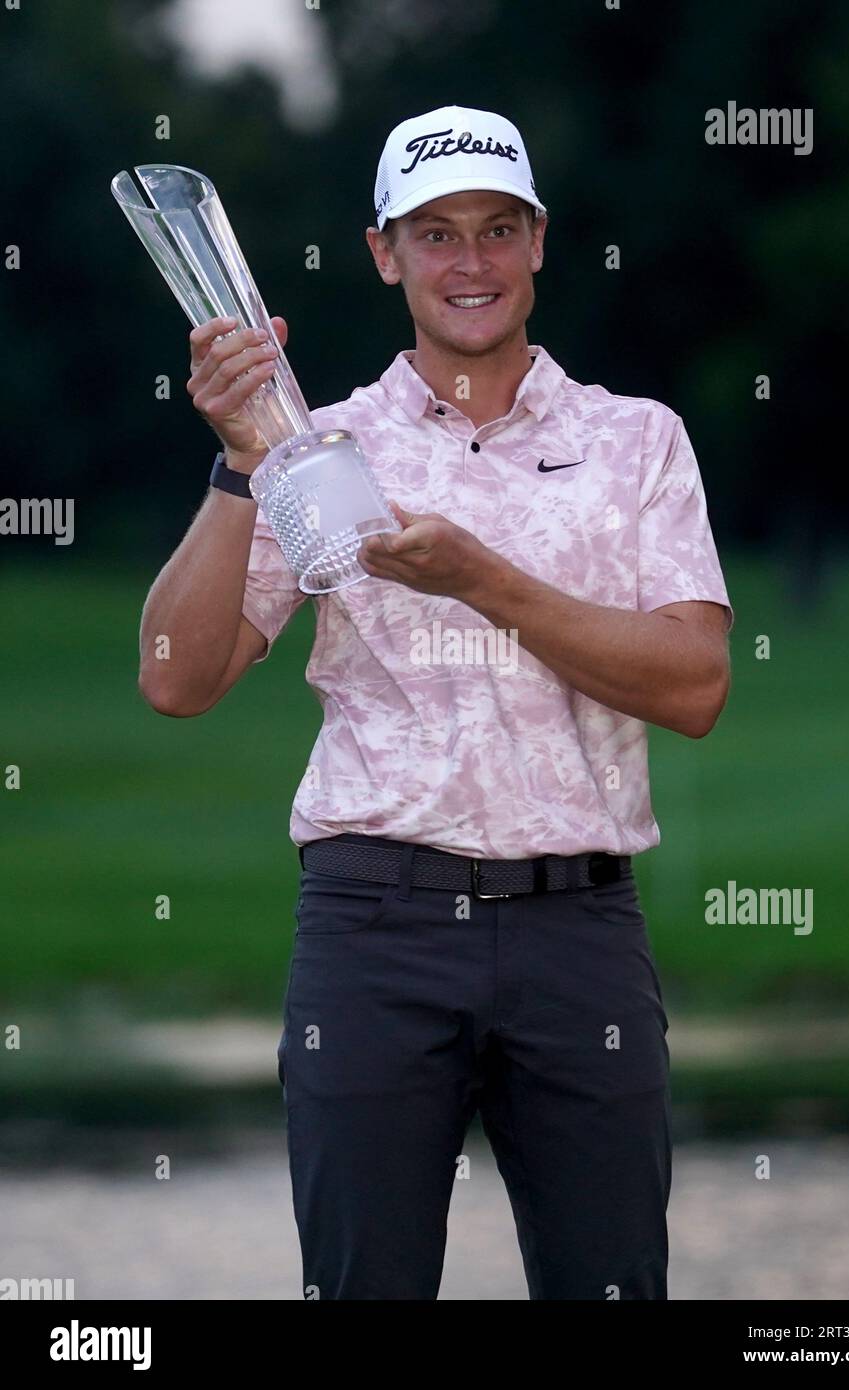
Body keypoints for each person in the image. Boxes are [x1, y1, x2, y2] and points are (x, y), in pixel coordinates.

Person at [138, 105, 734, 1300]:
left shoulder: (636, 441)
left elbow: (693, 686)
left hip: (580, 934)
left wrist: (482, 578)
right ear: (384, 252)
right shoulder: (321, 444)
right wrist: (240, 459)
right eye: (437, 234)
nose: (470, 263)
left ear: (538, 242)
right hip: (373, 927)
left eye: (497, 230)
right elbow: (176, 674)